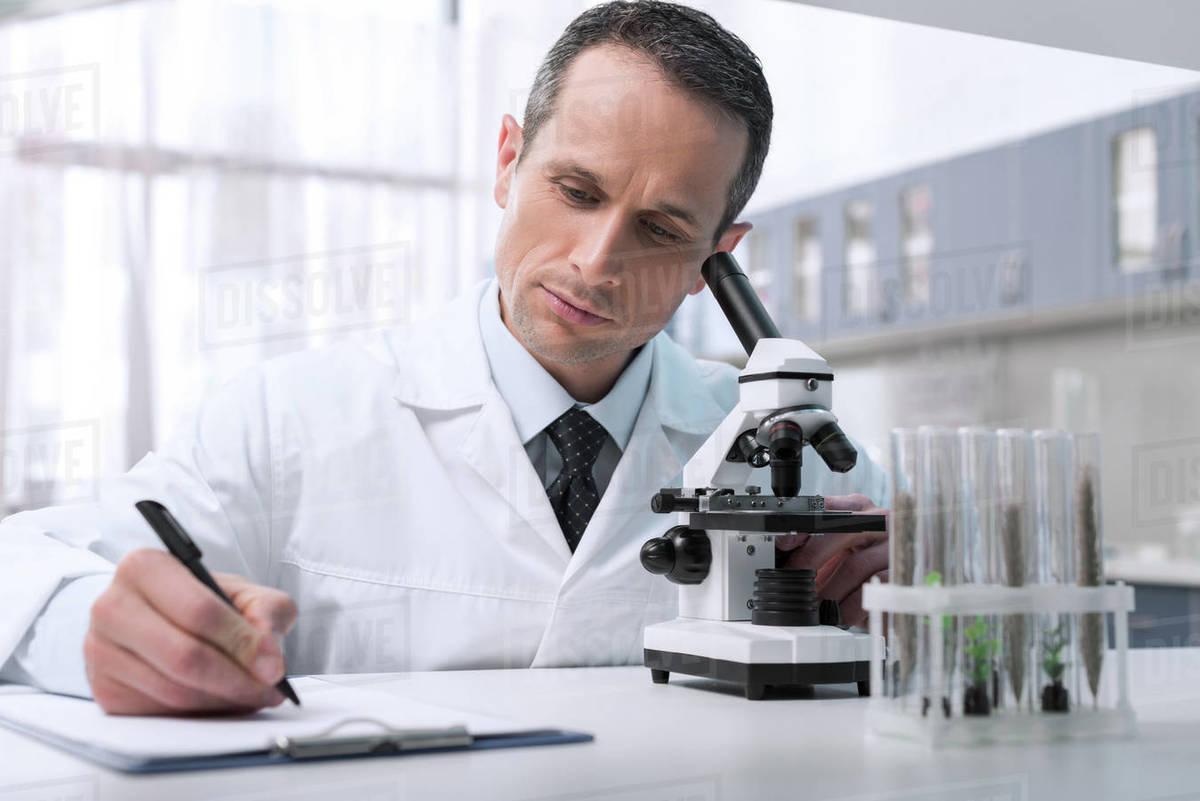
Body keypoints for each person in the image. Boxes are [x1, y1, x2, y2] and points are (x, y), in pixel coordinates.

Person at [0, 0, 888, 715]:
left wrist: (906, 604)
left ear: (715, 259)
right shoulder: (289, 418)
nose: (595, 262)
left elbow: (936, 585)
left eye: (659, 230)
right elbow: (26, 564)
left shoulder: (787, 446)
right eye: (576, 190)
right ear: (508, 162)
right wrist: (96, 628)